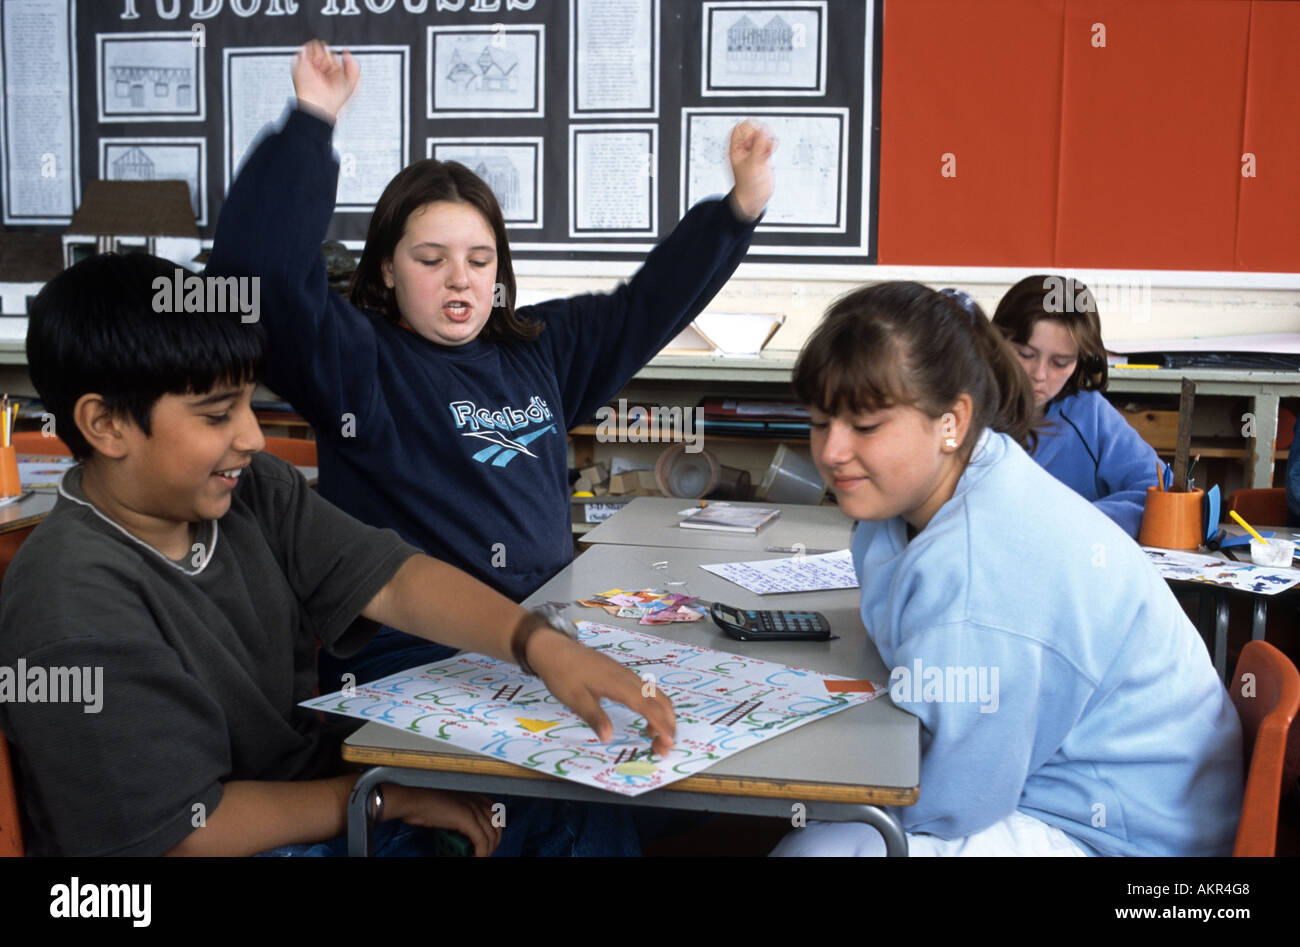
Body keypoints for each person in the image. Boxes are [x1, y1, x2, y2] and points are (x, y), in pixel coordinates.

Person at [0, 252, 675, 857]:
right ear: (106, 424)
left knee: (593, 804)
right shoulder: (75, 605)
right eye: (216, 414)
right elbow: (184, 831)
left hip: (316, 794)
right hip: (235, 845)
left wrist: (537, 643)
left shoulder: (248, 493)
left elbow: (394, 578)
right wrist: (382, 797)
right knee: (573, 826)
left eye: (249, 404)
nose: (252, 438)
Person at [205, 41, 775, 689]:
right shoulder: (356, 361)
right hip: (417, 651)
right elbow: (258, 275)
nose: (460, 281)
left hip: (549, 631)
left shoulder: (539, 345)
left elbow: (647, 306)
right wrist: (311, 122)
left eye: (480, 260)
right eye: (430, 259)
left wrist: (737, 212)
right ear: (387, 269)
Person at [771, 281, 1241, 856]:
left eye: (866, 426)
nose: (833, 451)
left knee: (819, 850)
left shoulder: (982, 562)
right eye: (821, 422)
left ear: (952, 420)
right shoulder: (916, 494)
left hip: (1123, 841)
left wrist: (814, 784)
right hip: (1048, 789)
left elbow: (957, 800)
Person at [990, 274, 1160, 537]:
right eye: (1025, 354)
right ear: (997, 342)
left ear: (1081, 362)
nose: (1039, 374)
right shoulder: (966, 408)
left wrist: (1073, 524)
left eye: (1060, 362)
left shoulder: (1089, 414)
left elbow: (1160, 492)